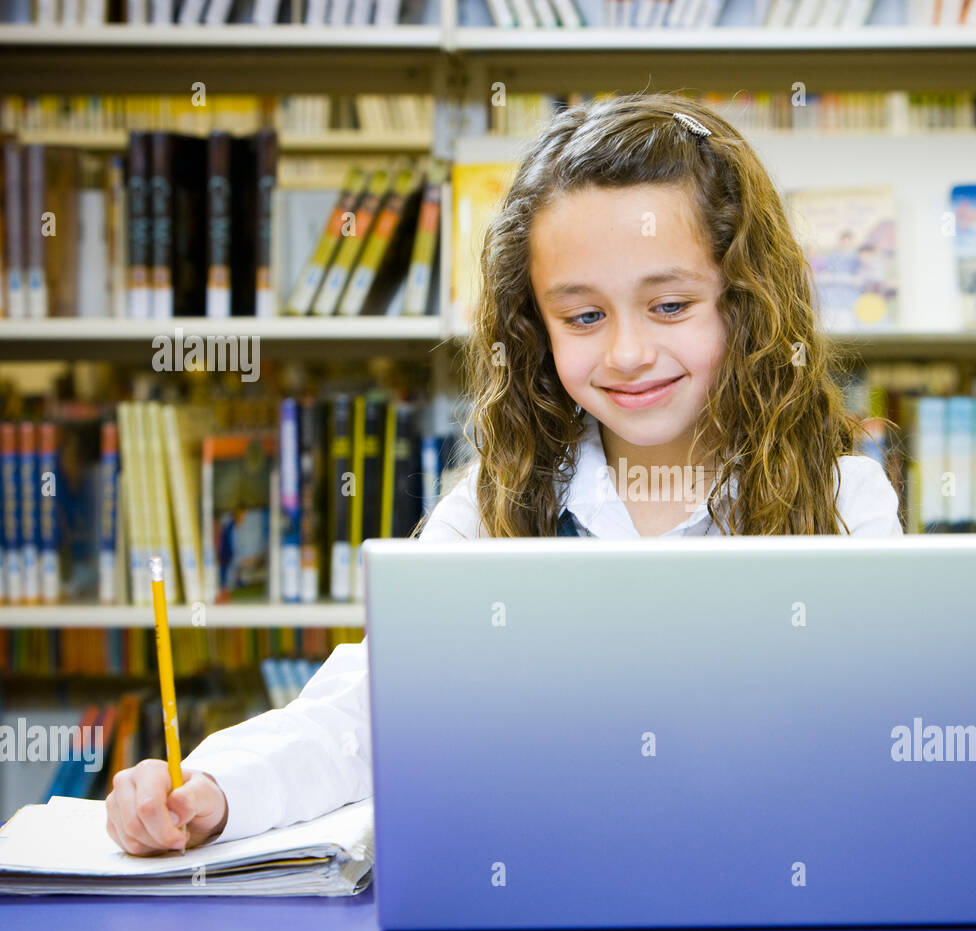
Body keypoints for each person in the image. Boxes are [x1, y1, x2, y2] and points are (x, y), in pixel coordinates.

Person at [105, 92, 904, 855]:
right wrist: (215, 785)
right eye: (584, 316)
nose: (627, 353)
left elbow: (879, 735)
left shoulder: (843, 504)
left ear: (747, 303)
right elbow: (365, 713)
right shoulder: (496, 505)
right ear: (536, 328)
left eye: (670, 306)